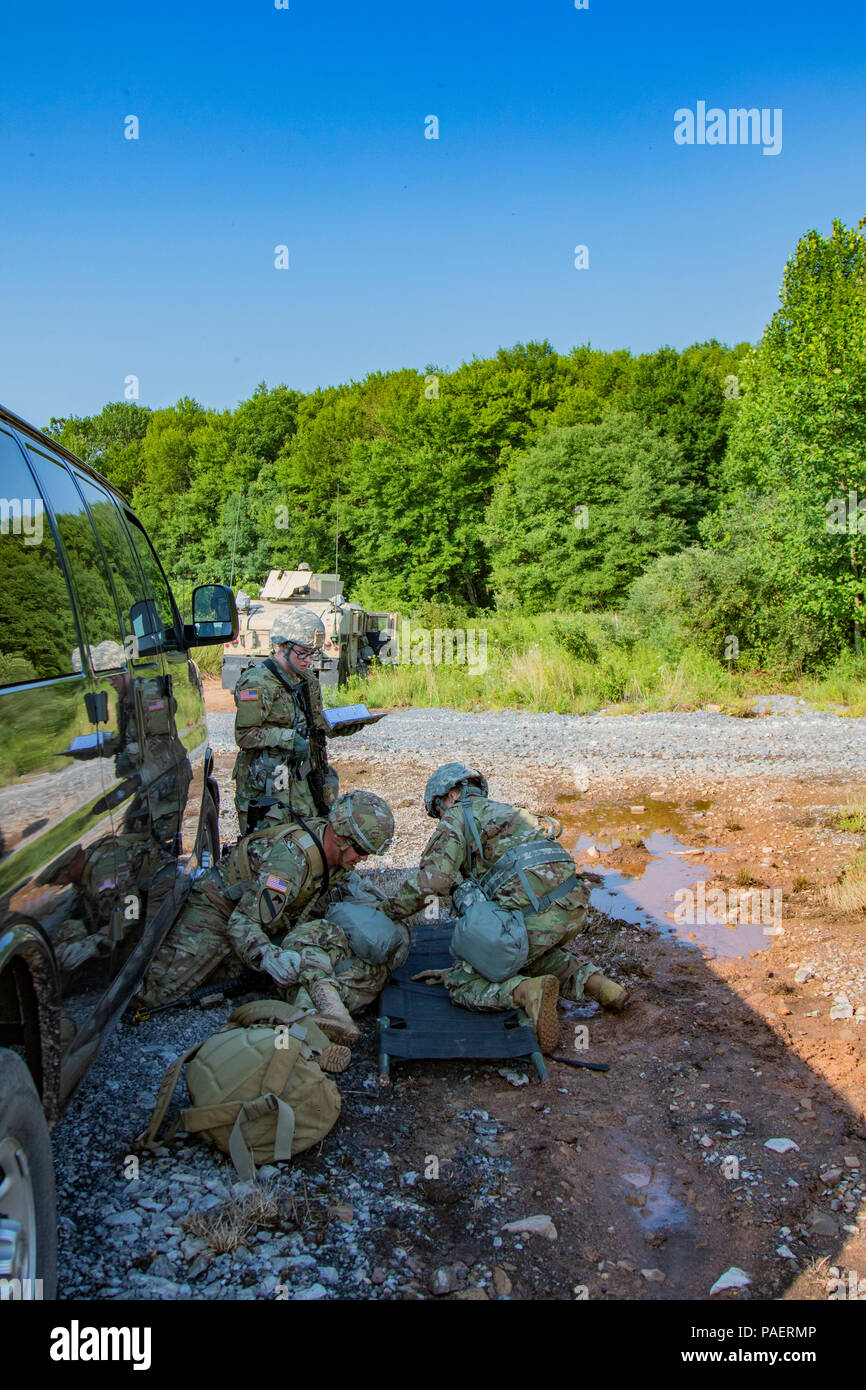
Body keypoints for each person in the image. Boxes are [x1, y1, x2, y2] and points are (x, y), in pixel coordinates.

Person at [387, 763, 629, 1053]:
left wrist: (388, 911)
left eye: (437, 810)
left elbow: (431, 881)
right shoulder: (511, 812)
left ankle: (527, 993)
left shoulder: (456, 818)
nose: (440, 818)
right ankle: (602, 987)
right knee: (532, 955)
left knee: (463, 985)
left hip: (534, 917)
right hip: (574, 906)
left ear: (450, 795)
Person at [135, 791, 397, 1043]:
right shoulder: (290, 863)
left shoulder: (329, 849)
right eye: (362, 850)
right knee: (157, 993)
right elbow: (242, 922)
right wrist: (268, 957)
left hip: (265, 913)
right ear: (341, 837)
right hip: (219, 906)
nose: (364, 859)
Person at [232, 610, 366, 834]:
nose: (308, 660)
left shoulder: (306, 679)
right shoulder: (257, 682)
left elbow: (313, 722)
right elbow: (244, 735)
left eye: (313, 654)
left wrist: (339, 727)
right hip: (267, 783)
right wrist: (289, 738)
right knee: (271, 843)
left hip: (302, 777)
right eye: (302, 653)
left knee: (309, 834)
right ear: (282, 646)